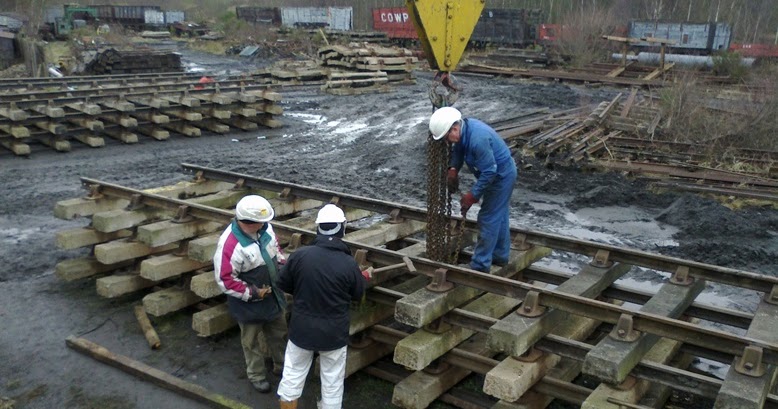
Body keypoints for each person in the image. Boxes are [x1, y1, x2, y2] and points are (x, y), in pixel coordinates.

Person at [276, 204, 369, 409]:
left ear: (318, 228)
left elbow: (283, 283)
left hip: (301, 328)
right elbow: (357, 294)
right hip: (333, 333)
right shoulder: (348, 263)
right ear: (341, 228)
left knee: (292, 374)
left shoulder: (300, 256)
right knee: (332, 380)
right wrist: (361, 279)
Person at [213, 195, 288, 393]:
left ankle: (282, 367)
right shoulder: (229, 245)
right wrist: (252, 293)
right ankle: (256, 375)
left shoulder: (266, 228)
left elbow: (276, 249)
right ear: (248, 222)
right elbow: (225, 280)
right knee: (251, 342)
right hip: (248, 303)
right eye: (261, 222)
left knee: (279, 334)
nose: (265, 224)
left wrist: (282, 265)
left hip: (273, 296)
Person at [429, 106, 518, 273]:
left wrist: (472, 196)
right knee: (499, 214)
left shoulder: (478, 139)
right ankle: (499, 256)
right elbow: (459, 150)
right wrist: (453, 169)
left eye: (447, 137)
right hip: (496, 174)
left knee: (488, 217)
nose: (448, 141)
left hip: (501, 177)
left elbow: (490, 171)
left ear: (454, 128)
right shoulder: (465, 131)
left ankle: (480, 265)